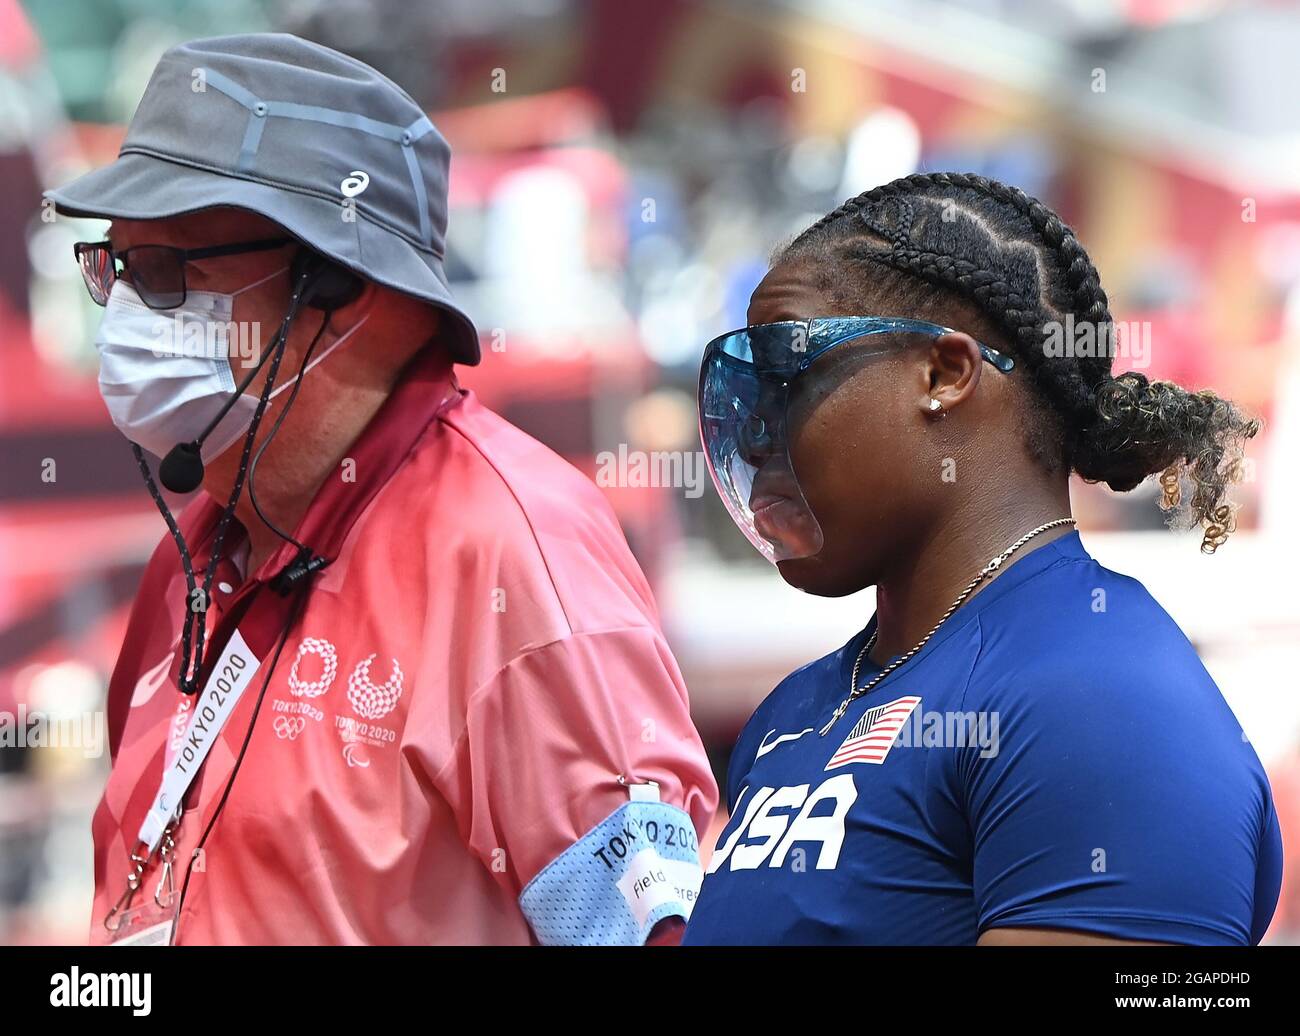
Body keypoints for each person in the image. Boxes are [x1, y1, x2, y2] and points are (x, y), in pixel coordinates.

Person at [46, 33, 717, 946]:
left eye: (169, 272)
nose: (127, 315)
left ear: (338, 290)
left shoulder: (508, 553)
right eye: (116, 269)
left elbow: (649, 933)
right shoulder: (196, 555)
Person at [684, 172, 1282, 945]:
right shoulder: (794, 711)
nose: (758, 437)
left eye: (787, 380)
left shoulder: (1100, 698)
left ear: (945, 374)